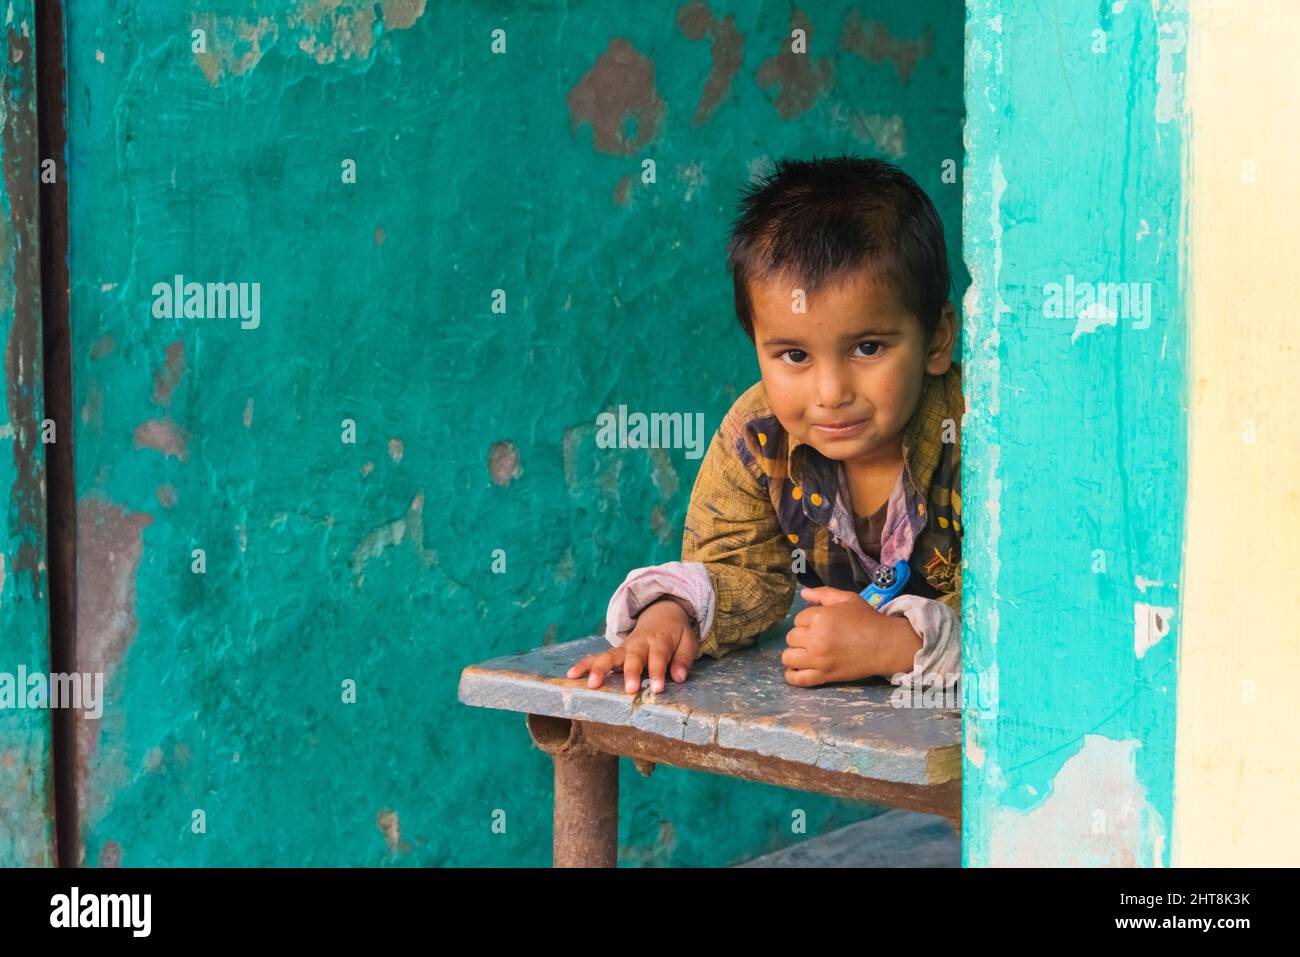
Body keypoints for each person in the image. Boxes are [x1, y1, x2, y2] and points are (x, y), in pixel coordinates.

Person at [567, 155, 963, 696]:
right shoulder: (758, 436)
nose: (830, 393)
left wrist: (895, 645)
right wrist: (669, 615)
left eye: (868, 347)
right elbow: (740, 570)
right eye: (794, 355)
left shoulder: (982, 436)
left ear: (937, 340)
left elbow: (1037, 616)